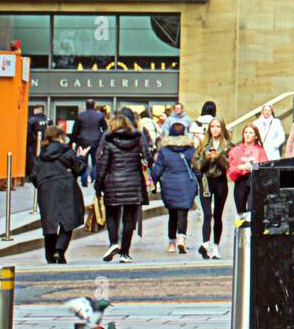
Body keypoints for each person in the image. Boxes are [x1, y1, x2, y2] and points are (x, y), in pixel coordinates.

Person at [94, 114, 147, 264]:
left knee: (112, 215)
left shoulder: (109, 142)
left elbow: (103, 167)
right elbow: (146, 158)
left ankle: (113, 243)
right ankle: (125, 253)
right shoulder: (138, 140)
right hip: (133, 183)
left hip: (113, 183)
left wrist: (98, 187)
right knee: (129, 219)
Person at [31, 125, 85, 264]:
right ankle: (59, 251)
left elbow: (33, 175)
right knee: (68, 221)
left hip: (47, 190)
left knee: (50, 224)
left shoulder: (41, 156)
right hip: (67, 188)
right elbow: (79, 169)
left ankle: (50, 256)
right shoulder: (67, 152)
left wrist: (42, 184)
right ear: (60, 136)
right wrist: (82, 157)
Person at [151, 121, 199, 254]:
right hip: (186, 184)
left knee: (172, 214)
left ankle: (171, 242)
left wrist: (151, 182)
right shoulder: (190, 150)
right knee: (183, 213)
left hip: (169, 184)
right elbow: (196, 168)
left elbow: (157, 169)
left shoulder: (164, 150)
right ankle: (182, 238)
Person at [192, 117, 233, 259]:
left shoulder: (227, 145)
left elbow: (229, 164)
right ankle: (205, 244)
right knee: (207, 214)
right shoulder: (203, 144)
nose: (215, 129)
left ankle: (216, 247)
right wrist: (206, 158)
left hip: (221, 181)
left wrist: (219, 157)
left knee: (218, 215)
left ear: (222, 129)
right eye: (212, 126)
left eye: (217, 126)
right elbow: (195, 164)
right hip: (206, 181)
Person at [228, 123, 268, 216]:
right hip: (240, 181)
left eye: (250, 132)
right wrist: (240, 167)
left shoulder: (260, 151)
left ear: (256, 136)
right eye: (245, 132)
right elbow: (231, 169)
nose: (247, 135)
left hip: (254, 181)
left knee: (252, 210)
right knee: (240, 211)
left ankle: (253, 229)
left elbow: (264, 167)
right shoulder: (236, 150)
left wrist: (252, 167)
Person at [71, 99, 107, 186]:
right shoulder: (100, 115)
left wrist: (74, 140)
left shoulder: (80, 116)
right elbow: (105, 128)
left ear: (86, 105)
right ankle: (95, 179)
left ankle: (84, 182)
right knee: (96, 162)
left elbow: (75, 130)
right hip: (96, 141)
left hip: (83, 140)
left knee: (83, 162)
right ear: (94, 105)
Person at [25, 105, 49, 179]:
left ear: (36, 110)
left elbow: (28, 133)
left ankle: (34, 175)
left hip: (34, 144)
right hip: (47, 144)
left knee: (34, 159)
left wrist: (27, 143)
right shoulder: (48, 120)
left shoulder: (32, 120)